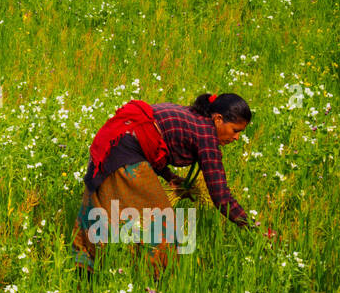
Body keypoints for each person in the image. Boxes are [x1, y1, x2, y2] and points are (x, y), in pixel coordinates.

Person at [71, 92, 254, 274]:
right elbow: (221, 196)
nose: (236, 137)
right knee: (161, 222)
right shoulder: (206, 137)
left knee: (101, 211)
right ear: (218, 119)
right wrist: (251, 226)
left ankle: (86, 269)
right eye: (235, 130)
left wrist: (171, 178)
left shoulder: (196, 119)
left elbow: (153, 143)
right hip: (123, 150)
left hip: (109, 140)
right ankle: (157, 278)